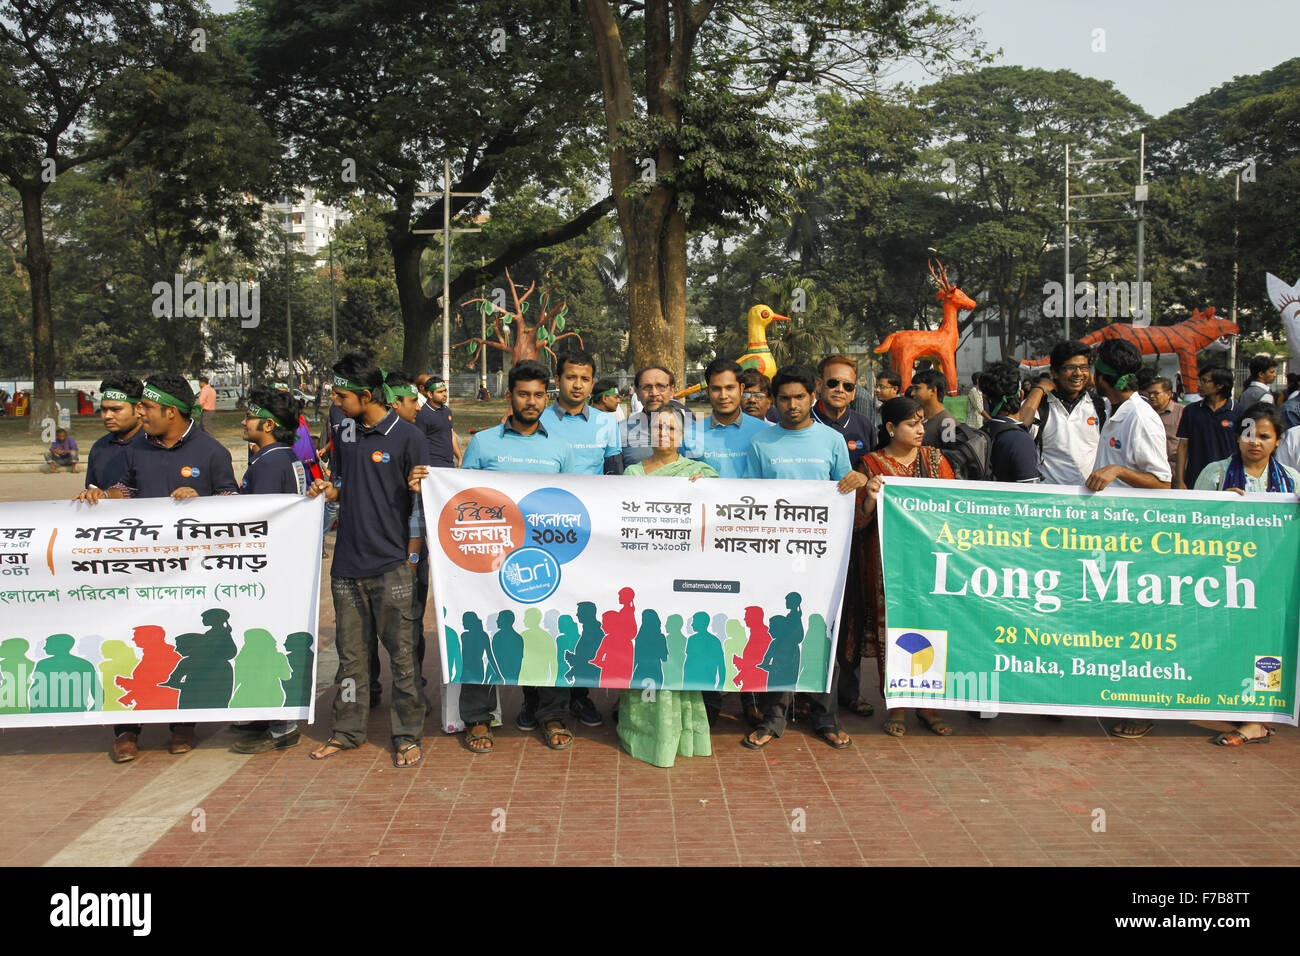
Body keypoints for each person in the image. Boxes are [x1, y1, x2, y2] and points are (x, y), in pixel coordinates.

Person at [74, 372, 237, 762]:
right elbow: (126, 489)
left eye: (146, 407)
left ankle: (182, 725)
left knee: (180, 645)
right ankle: (127, 729)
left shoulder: (212, 452)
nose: (141, 413)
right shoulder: (136, 450)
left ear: (171, 412)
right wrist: (104, 496)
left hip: (191, 576)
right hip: (140, 572)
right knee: (131, 643)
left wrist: (203, 501)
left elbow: (234, 501)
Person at [420, 360, 576, 754]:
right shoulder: (484, 443)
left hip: (542, 562)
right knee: (482, 634)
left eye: (539, 395)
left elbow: (571, 504)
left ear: (547, 397)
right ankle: (477, 717)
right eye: (523, 394)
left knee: (544, 635)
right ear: (510, 396)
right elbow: (459, 500)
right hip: (486, 564)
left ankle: (549, 714)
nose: (531, 401)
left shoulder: (560, 448)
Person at [306, 353, 427, 768]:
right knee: (351, 658)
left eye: (341, 396)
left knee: (403, 657)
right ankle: (346, 731)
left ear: (364, 394)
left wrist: (411, 555)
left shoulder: (408, 437)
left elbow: (423, 500)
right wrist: (330, 490)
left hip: (392, 565)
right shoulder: (342, 429)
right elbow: (345, 482)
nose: (336, 402)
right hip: (345, 568)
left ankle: (407, 734)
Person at [740, 365, 866, 752]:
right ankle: (774, 716)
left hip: (823, 561)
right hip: (774, 559)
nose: (792, 405)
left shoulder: (831, 441)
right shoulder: (761, 443)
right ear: (773, 402)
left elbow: (847, 489)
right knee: (780, 634)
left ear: (812, 396)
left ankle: (825, 716)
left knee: (820, 633)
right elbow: (748, 499)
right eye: (783, 398)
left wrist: (858, 480)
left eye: (799, 397)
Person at [515, 350, 617, 732]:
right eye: (571, 377)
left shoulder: (609, 423)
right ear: (558, 380)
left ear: (593, 382)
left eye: (585, 379)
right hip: (539, 531)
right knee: (537, 617)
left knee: (584, 619)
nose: (578, 385)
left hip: (590, 536)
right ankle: (531, 699)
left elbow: (614, 477)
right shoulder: (538, 418)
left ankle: (580, 696)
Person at [1083, 340, 1172, 741]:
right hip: (1109, 537)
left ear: (1103, 378)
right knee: (1114, 623)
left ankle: (1144, 706)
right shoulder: (1117, 412)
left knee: (1139, 627)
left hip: (1134, 540)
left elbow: (1163, 481)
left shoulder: (1141, 417)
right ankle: (1118, 698)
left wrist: (1118, 471)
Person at [854, 397, 958, 739]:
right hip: (887, 565)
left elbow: (952, 506)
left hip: (929, 562)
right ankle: (896, 704)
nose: (920, 430)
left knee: (931, 626)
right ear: (890, 429)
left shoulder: (935, 459)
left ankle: (927, 704)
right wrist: (870, 495)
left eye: (921, 423)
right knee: (892, 630)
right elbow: (858, 520)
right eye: (912, 424)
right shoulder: (871, 464)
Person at [618, 408, 716, 767]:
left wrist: (704, 489)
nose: (663, 432)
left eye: (672, 427)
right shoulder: (631, 473)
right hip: (641, 576)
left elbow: (714, 515)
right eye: (657, 426)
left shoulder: (698, 473)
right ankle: (642, 730)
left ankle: (682, 728)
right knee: (643, 646)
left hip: (680, 579)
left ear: (684, 434)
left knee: (675, 648)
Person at [1194, 404, 1297, 746]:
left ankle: (1257, 720)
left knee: (1266, 648)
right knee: (1226, 641)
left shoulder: (1293, 482)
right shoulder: (1216, 475)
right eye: (1248, 434)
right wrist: (1218, 506)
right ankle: (1225, 703)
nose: (1255, 442)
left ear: (1278, 440)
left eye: (1264, 436)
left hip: (1272, 580)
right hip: (1223, 579)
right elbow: (1188, 525)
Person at [230, 386, 309, 754]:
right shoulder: (281, 456)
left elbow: (256, 519)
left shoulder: (271, 461)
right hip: (282, 565)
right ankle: (266, 713)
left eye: (250, 415)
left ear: (268, 423)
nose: (244, 421)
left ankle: (281, 725)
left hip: (270, 569)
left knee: (266, 641)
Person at [809, 355, 876, 720]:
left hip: (851, 535)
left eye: (848, 385)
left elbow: (874, 470)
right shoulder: (799, 420)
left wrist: (864, 480)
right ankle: (804, 692)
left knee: (850, 613)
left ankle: (849, 691)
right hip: (805, 538)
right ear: (819, 384)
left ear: (855, 391)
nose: (839, 390)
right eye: (832, 383)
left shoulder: (863, 425)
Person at [1016, 341, 1106, 486]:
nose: (1078, 373)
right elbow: (1020, 426)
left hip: (1088, 497)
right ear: (1054, 372)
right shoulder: (1040, 405)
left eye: (1083, 367)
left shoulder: (1100, 405)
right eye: (1070, 368)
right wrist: (1038, 390)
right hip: (1051, 499)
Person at [1174, 366, 1237, 490]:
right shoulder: (1190, 411)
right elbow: (1183, 446)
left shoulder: (1240, 412)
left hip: (1229, 479)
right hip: (1196, 478)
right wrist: (1179, 480)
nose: (1199, 385)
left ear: (1220, 385)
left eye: (1204, 381)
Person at [620, 365, 695, 468]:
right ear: (637, 392)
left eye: (661, 386)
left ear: (672, 390)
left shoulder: (692, 428)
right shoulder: (621, 430)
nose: (654, 393)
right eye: (647, 387)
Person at [979, 361, 1040, 483]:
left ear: (985, 399)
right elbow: (1031, 494)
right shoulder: (1020, 440)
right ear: (1021, 395)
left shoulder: (982, 433)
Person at [84, 374, 145, 492]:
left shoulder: (156, 445)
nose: (107, 416)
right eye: (103, 409)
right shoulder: (99, 448)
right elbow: (92, 490)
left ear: (138, 409)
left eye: (115, 409)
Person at [1140, 376, 1184, 479]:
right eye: (1149, 393)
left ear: (1169, 394)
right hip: (1149, 471)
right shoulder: (1144, 413)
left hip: (1175, 471)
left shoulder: (1182, 412)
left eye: (1156, 393)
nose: (1151, 396)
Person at [416, 376, 462, 468]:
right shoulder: (423, 414)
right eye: (440, 392)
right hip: (433, 465)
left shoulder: (447, 411)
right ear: (430, 394)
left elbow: (451, 434)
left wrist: (460, 458)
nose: (444, 394)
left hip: (449, 463)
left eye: (445, 391)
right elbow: (418, 442)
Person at [910, 369, 958, 447]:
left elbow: (951, 455)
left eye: (917, 388)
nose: (912, 393)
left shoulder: (947, 422)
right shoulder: (920, 417)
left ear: (932, 390)